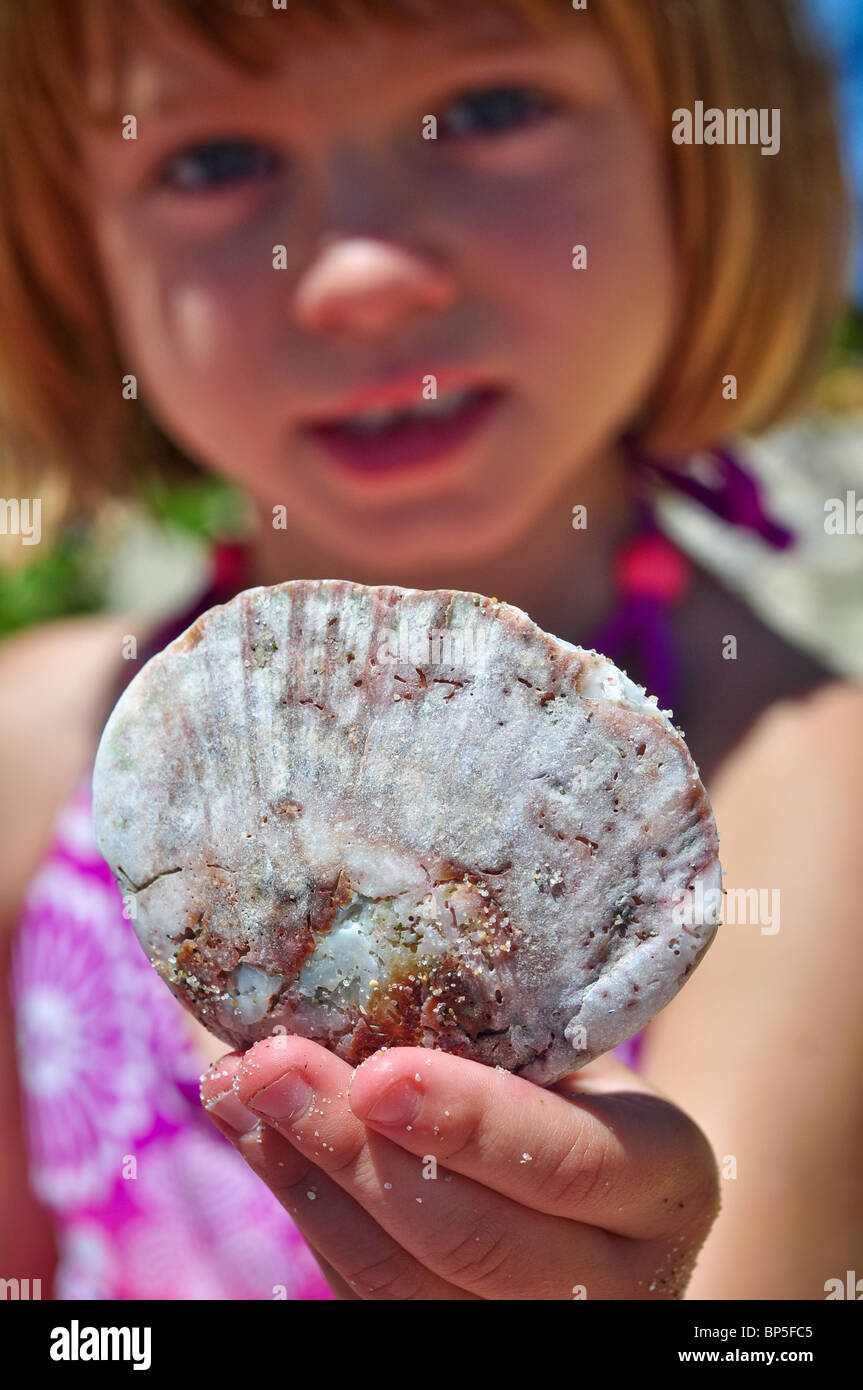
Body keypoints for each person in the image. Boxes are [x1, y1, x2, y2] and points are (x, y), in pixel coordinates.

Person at [0, 0, 860, 1301]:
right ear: (70, 254)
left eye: (490, 109)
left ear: (709, 163)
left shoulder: (817, 810)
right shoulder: (25, 757)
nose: (361, 277)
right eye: (213, 161)